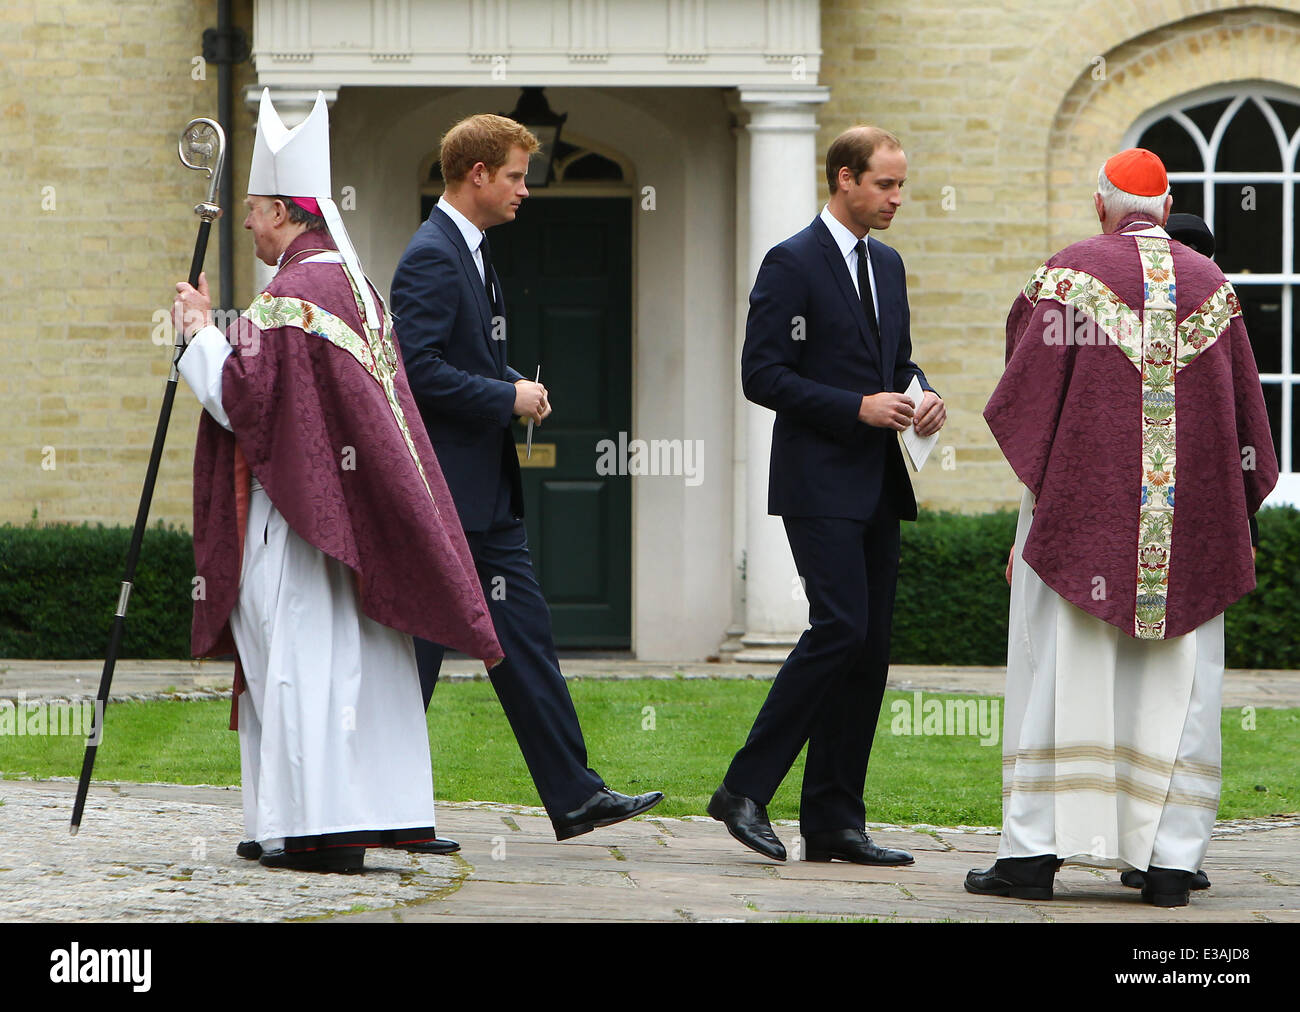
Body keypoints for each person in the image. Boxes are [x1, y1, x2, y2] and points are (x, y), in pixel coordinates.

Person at [173, 90, 503, 873]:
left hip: (303, 529)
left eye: (255, 210)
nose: (248, 224)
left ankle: (319, 829)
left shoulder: (298, 294)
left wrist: (195, 334)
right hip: (340, 514)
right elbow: (283, 388)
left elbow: (245, 400)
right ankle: (305, 821)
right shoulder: (341, 284)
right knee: (331, 663)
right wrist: (221, 331)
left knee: (301, 662)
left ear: (285, 211)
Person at [975, 148, 1278, 906]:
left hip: (1080, 524)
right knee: (1182, 688)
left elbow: (1023, 399)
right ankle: (1171, 863)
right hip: (1189, 534)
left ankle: (1033, 855)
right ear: (1168, 206)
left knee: (1058, 672)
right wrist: (1228, 513)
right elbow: (1248, 418)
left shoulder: (1069, 274)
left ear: (1100, 205)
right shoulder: (1215, 288)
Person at [389, 113, 662, 843]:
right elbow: (415, 373)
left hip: (486, 502)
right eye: (514, 176)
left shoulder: (472, 253)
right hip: (446, 499)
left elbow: (460, 358)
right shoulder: (432, 256)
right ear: (476, 174)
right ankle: (379, 809)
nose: (524, 191)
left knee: (525, 644)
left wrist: (512, 382)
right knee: (413, 661)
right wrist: (505, 397)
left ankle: (574, 797)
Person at [709, 126, 945, 864]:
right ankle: (744, 790)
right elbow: (761, 374)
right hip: (817, 483)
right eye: (885, 184)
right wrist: (856, 407)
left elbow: (896, 362)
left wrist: (923, 395)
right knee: (840, 628)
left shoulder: (891, 264)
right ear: (844, 179)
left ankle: (835, 821)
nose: (897, 198)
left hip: (878, 482)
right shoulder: (791, 262)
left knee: (869, 650)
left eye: (901, 185)